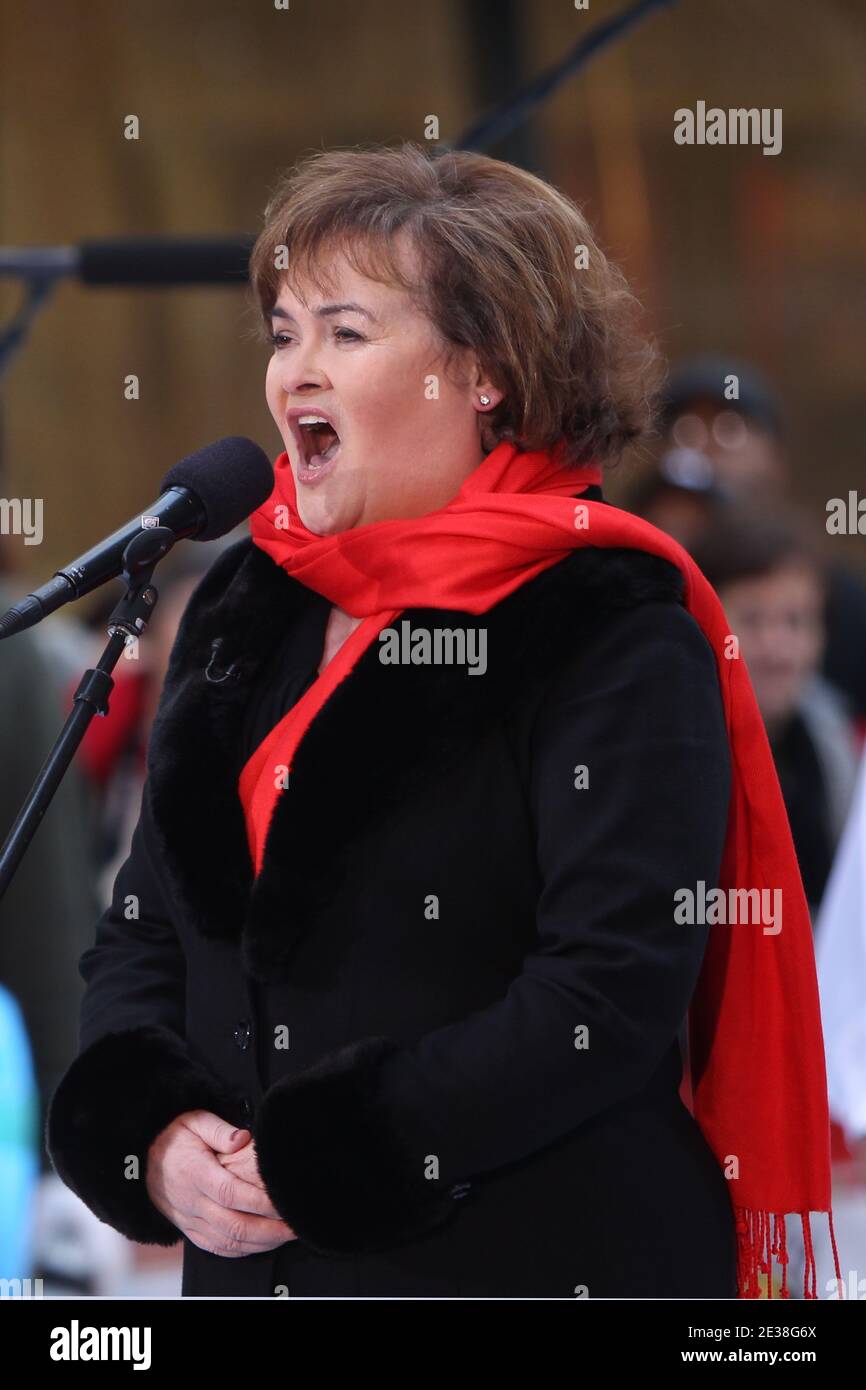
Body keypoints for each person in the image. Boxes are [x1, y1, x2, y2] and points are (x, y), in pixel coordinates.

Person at [45, 142, 840, 1300]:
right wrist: (156, 1140)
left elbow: (603, 992)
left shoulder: (608, 618)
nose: (291, 374)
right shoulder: (247, 595)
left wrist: (321, 1159)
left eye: (344, 333)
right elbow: (144, 928)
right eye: (283, 332)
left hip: (529, 1262)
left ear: (484, 373)